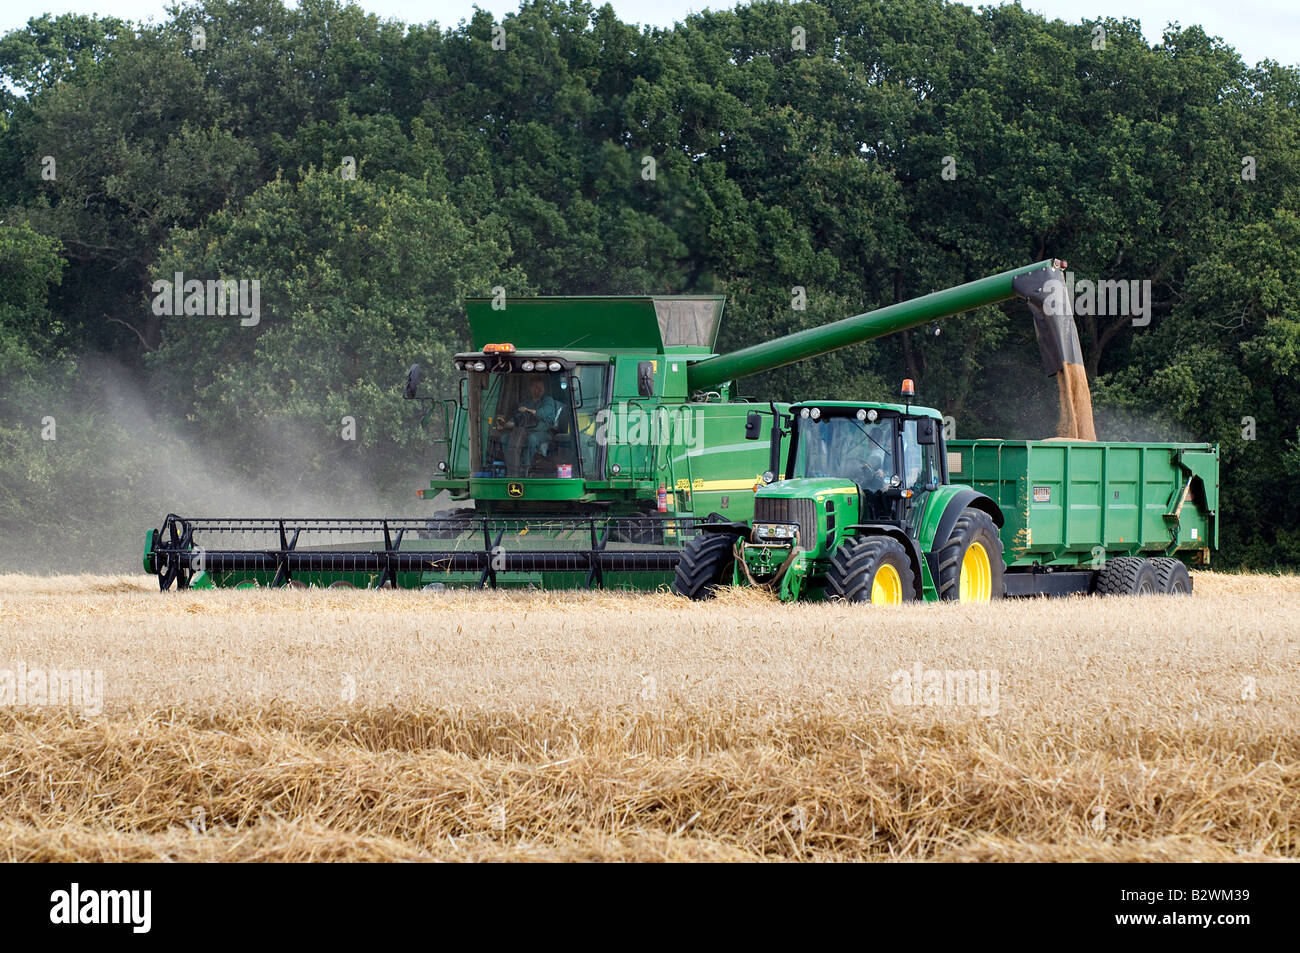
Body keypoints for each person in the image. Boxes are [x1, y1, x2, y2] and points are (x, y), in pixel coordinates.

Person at [503, 377, 563, 473]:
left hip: (544, 432)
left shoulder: (548, 401)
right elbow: (516, 420)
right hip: (524, 432)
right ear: (530, 389)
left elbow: (543, 413)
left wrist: (527, 410)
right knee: (505, 438)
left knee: (532, 439)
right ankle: (510, 468)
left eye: (540, 387)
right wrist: (503, 425)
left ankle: (527, 468)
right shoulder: (526, 403)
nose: (538, 389)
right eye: (535, 387)